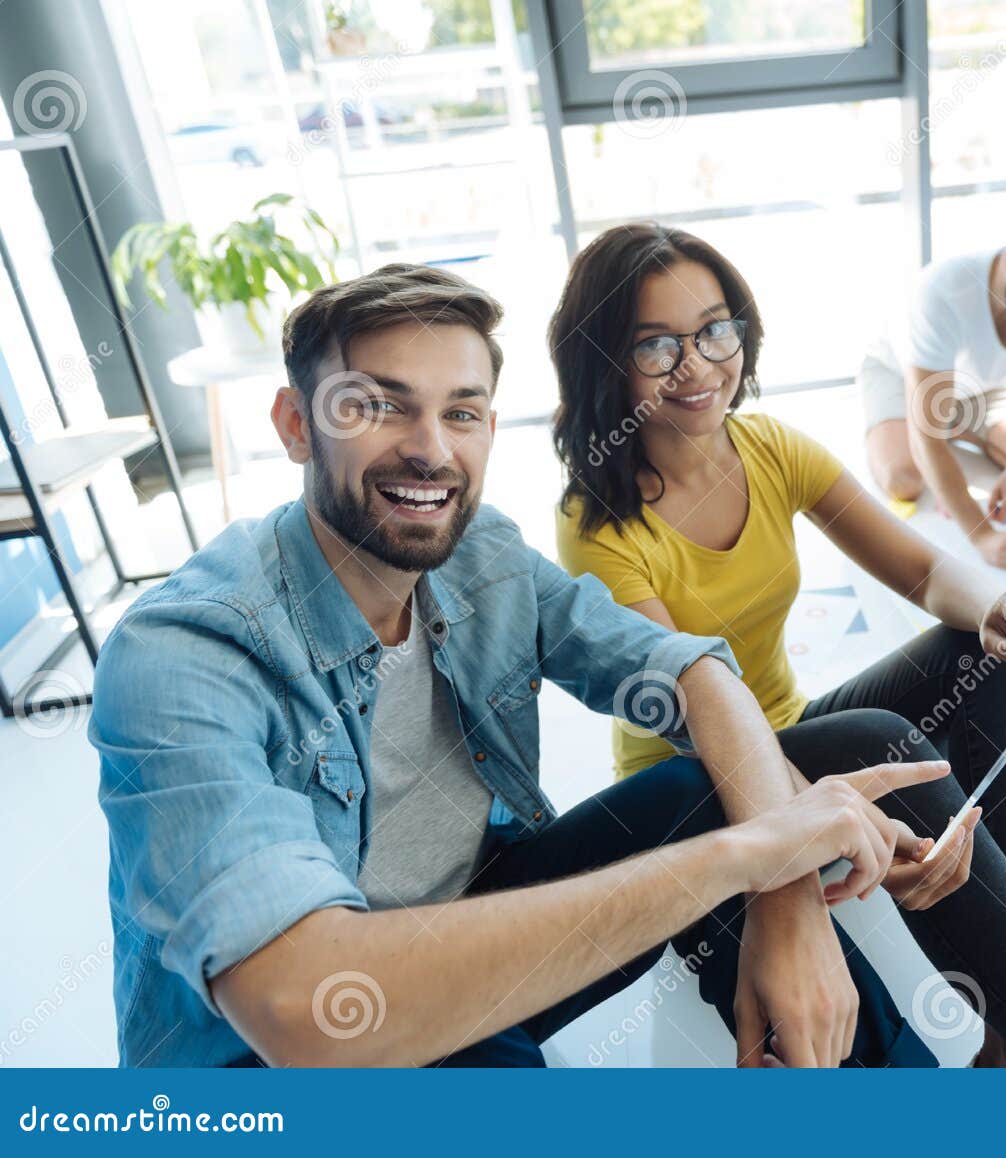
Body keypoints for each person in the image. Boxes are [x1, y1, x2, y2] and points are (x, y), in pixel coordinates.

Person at [88, 263, 962, 1069]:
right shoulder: (185, 656)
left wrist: (784, 893)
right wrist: (750, 855)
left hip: (469, 917)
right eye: (380, 406)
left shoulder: (481, 556)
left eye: (461, 411)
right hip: (290, 1057)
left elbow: (693, 674)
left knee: (702, 791)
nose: (430, 448)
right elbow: (307, 1013)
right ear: (294, 424)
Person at [551, 223, 1006, 1068]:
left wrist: (1001, 604)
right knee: (873, 743)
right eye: (656, 345)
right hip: (693, 782)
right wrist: (847, 818)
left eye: (715, 330)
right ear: (607, 358)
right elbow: (705, 714)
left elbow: (927, 571)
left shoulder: (767, 447)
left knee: (986, 652)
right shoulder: (595, 523)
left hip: (794, 731)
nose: (698, 365)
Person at [861, 199, 1006, 570]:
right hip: (900, 375)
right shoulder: (943, 291)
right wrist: (982, 535)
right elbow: (927, 435)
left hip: (984, 385)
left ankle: (960, 428)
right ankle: (943, 428)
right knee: (903, 479)